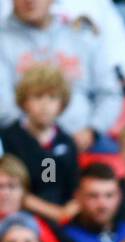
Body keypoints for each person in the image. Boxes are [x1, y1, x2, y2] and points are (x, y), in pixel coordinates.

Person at [0, 0, 123, 152]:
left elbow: (110, 92)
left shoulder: (80, 35)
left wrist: (93, 130)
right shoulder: (2, 40)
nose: (29, 1)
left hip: (84, 138)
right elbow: (3, 103)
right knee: (33, 170)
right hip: (22, 140)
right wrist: (28, 134)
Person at [2, 64, 78, 224]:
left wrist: (71, 208)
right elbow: (7, 187)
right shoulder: (8, 138)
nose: (45, 105)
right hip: (18, 218)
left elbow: (74, 188)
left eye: (52, 98)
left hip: (63, 219)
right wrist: (54, 213)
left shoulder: (67, 142)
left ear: (62, 104)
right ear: (24, 101)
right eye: (37, 97)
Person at [60, 165, 125, 242]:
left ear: (119, 196)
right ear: (78, 197)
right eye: (93, 196)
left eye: (109, 195)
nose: (102, 204)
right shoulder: (67, 238)